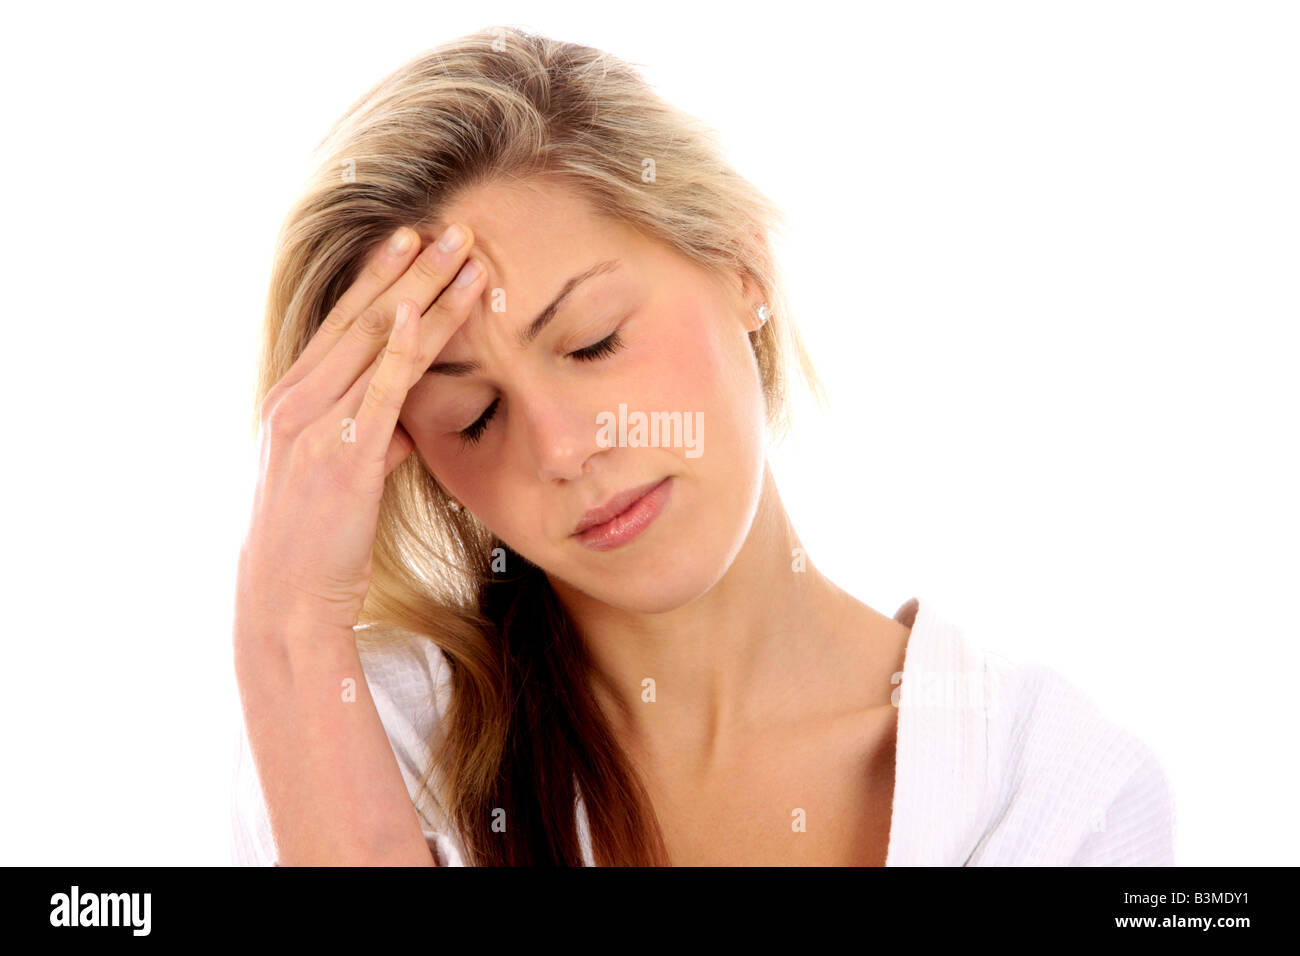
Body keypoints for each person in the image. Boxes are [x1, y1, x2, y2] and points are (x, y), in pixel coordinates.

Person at [230, 25, 1175, 866]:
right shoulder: (361, 728)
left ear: (739, 263)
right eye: (474, 417)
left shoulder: (1049, 787)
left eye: (592, 341)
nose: (562, 450)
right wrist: (287, 632)